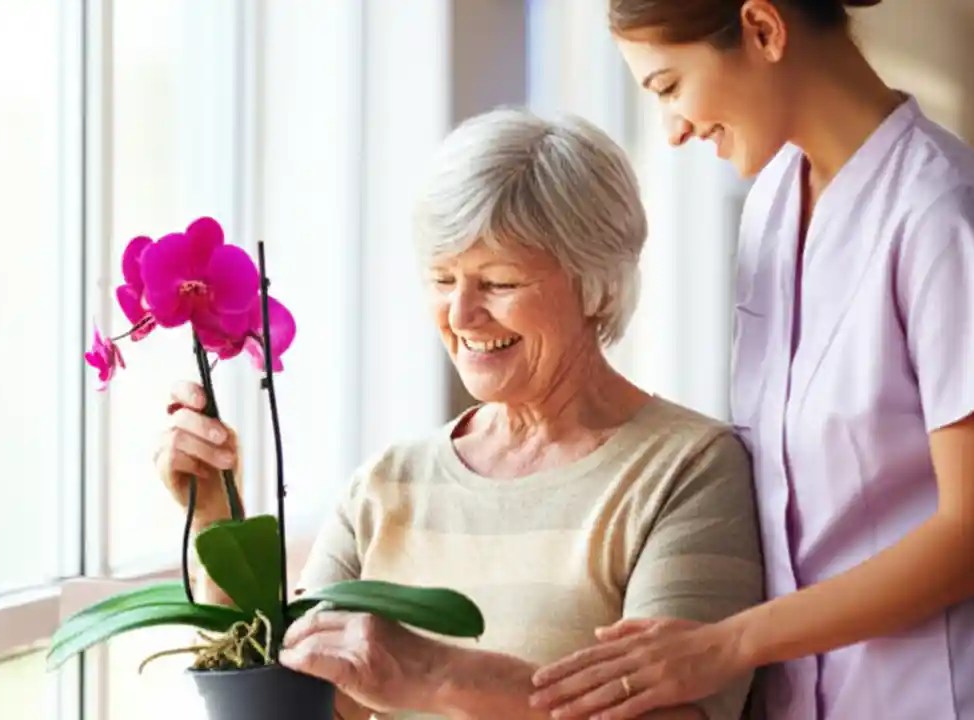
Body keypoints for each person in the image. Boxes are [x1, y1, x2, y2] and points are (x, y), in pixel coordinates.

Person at [155, 108, 764, 719]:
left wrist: (436, 676)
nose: (461, 314)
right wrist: (215, 517)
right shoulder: (389, 483)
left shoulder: (687, 470)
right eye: (442, 279)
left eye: (498, 283)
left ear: (598, 285)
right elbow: (285, 695)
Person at [530, 1, 974, 719]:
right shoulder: (772, 203)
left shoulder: (946, 212)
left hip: (945, 698)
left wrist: (728, 644)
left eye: (669, 86)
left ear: (763, 29)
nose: (673, 130)